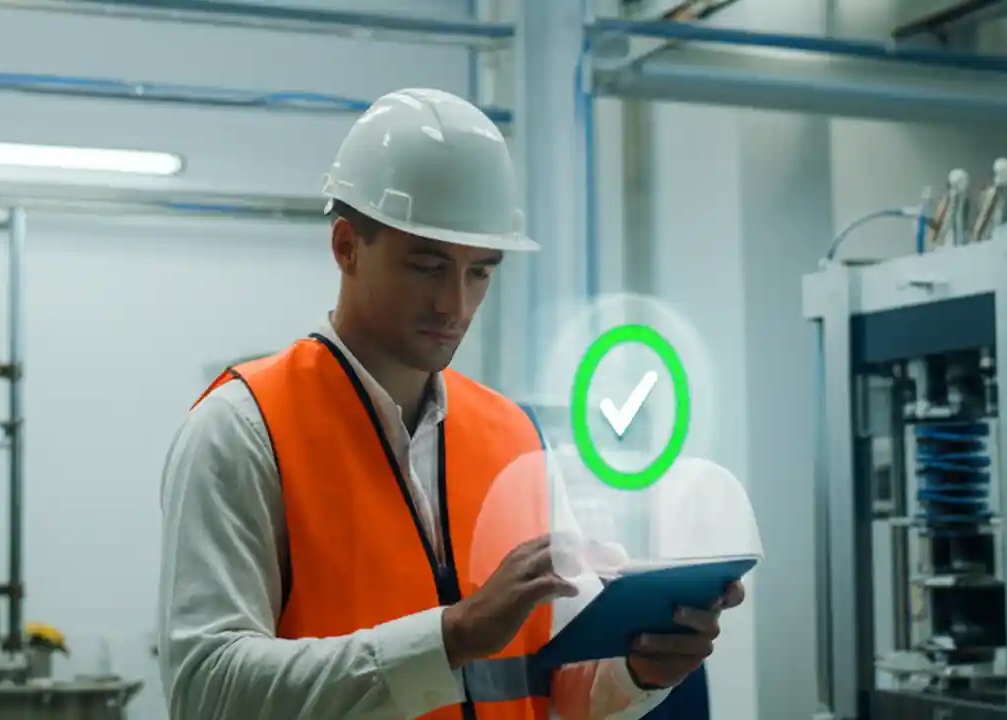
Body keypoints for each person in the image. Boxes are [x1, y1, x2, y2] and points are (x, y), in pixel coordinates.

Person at [156, 88, 746, 719]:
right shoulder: (243, 430)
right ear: (347, 247)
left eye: (480, 272)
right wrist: (451, 637)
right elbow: (207, 692)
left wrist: (638, 672)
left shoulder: (513, 438)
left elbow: (560, 693)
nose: (456, 306)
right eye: (429, 266)